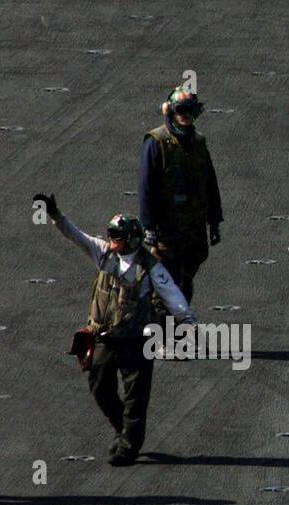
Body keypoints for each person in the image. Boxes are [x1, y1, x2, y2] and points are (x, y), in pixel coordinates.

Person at [32, 193, 196, 466]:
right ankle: (123, 430)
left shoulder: (150, 267)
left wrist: (188, 325)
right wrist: (56, 215)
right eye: (111, 235)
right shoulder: (103, 253)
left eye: (117, 236)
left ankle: (128, 448)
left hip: (136, 339)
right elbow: (77, 236)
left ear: (130, 239)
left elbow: (172, 296)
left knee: (136, 397)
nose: (111, 240)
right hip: (104, 336)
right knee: (99, 386)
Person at [138, 86, 223, 304]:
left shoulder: (199, 142)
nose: (185, 115)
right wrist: (149, 226)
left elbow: (210, 182)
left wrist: (214, 221)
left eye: (190, 110)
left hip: (194, 232)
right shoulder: (156, 142)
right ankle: (163, 328)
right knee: (166, 283)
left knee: (185, 282)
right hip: (168, 232)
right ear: (170, 111)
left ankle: (178, 329)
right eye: (180, 109)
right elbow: (147, 187)